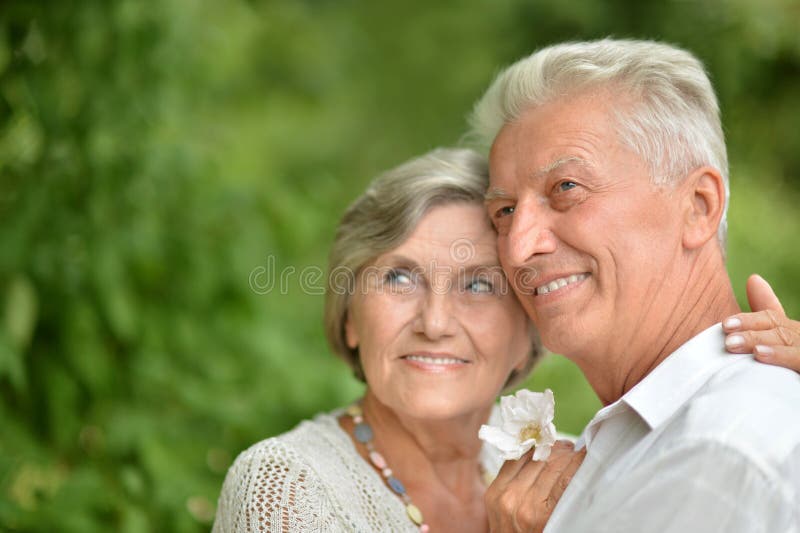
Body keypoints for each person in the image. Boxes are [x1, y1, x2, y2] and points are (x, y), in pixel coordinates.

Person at [212, 147, 798, 532]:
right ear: (349, 317)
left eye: (479, 285)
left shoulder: (577, 464)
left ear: (529, 331)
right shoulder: (284, 486)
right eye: (399, 278)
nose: (435, 322)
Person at [469, 38, 800, 532]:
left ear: (699, 207)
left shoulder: (716, 449)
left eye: (566, 188)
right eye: (504, 211)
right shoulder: (650, 439)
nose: (519, 247)